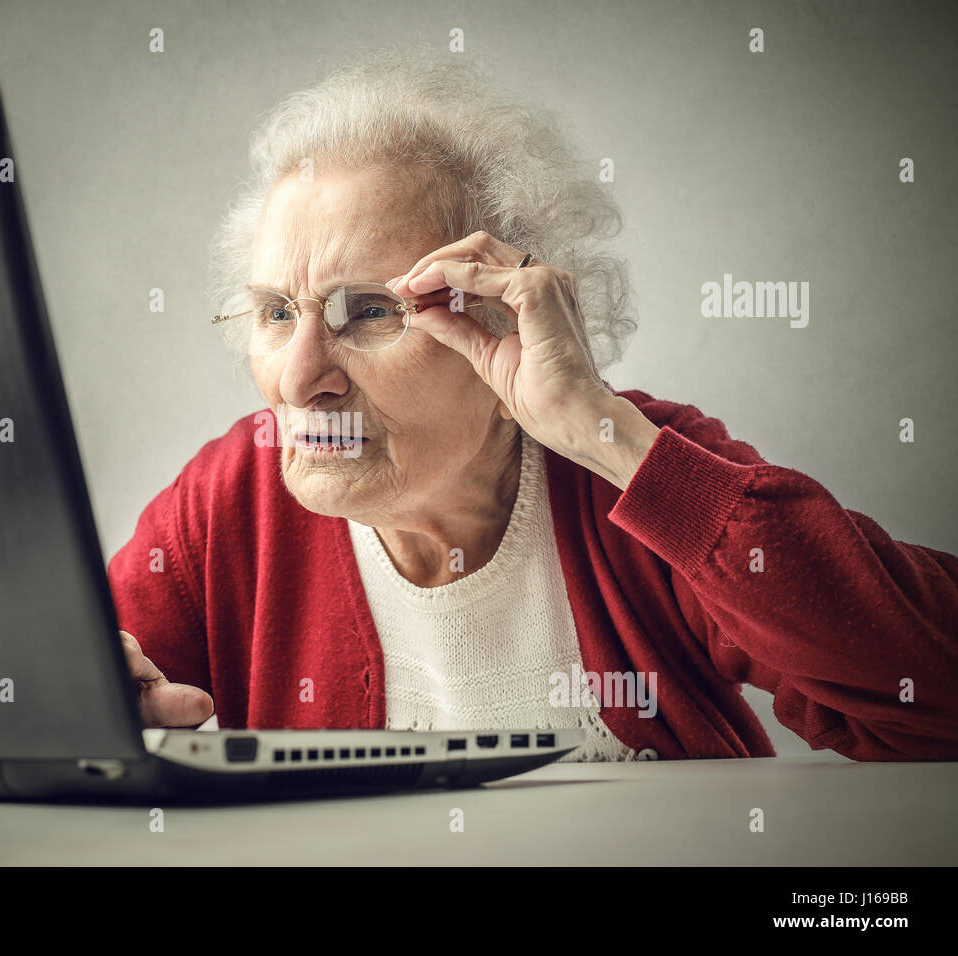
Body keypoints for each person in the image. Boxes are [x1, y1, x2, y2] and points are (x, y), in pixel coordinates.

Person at [108, 49, 958, 760]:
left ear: (509, 316)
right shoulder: (230, 504)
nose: (299, 379)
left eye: (368, 310)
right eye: (277, 313)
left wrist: (609, 435)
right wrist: (98, 701)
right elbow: (64, 697)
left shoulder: (639, 479)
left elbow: (929, 696)